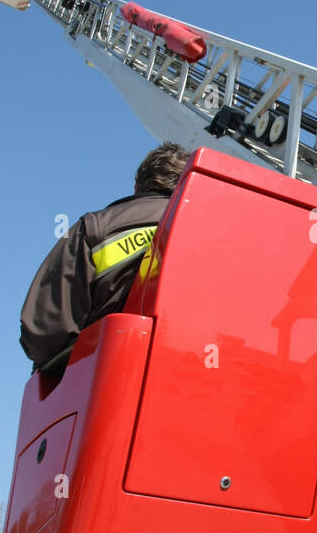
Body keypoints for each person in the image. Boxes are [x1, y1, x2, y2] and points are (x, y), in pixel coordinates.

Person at [19, 142, 190, 370]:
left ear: (137, 185)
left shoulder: (94, 229)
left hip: (102, 382)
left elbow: (43, 335)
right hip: (191, 381)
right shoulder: (209, 235)